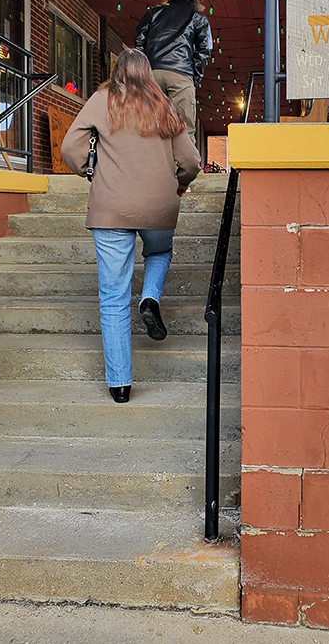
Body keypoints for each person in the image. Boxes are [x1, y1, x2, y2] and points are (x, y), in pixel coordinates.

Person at [61, 49, 201, 404]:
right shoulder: (164, 106)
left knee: (112, 298)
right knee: (159, 250)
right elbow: (191, 161)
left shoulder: (101, 100)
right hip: (158, 205)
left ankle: (120, 385)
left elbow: (70, 148)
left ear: (117, 72)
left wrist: (90, 173)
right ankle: (150, 297)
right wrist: (179, 184)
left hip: (111, 208)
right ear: (148, 74)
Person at [134, 0, 211, 144]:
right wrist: (194, 77)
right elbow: (204, 50)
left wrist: (143, 72)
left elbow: (139, 44)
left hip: (152, 74)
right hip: (181, 73)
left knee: (149, 127)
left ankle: (151, 167)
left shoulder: (153, 13)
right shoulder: (197, 18)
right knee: (184, 129)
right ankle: (183, 168)